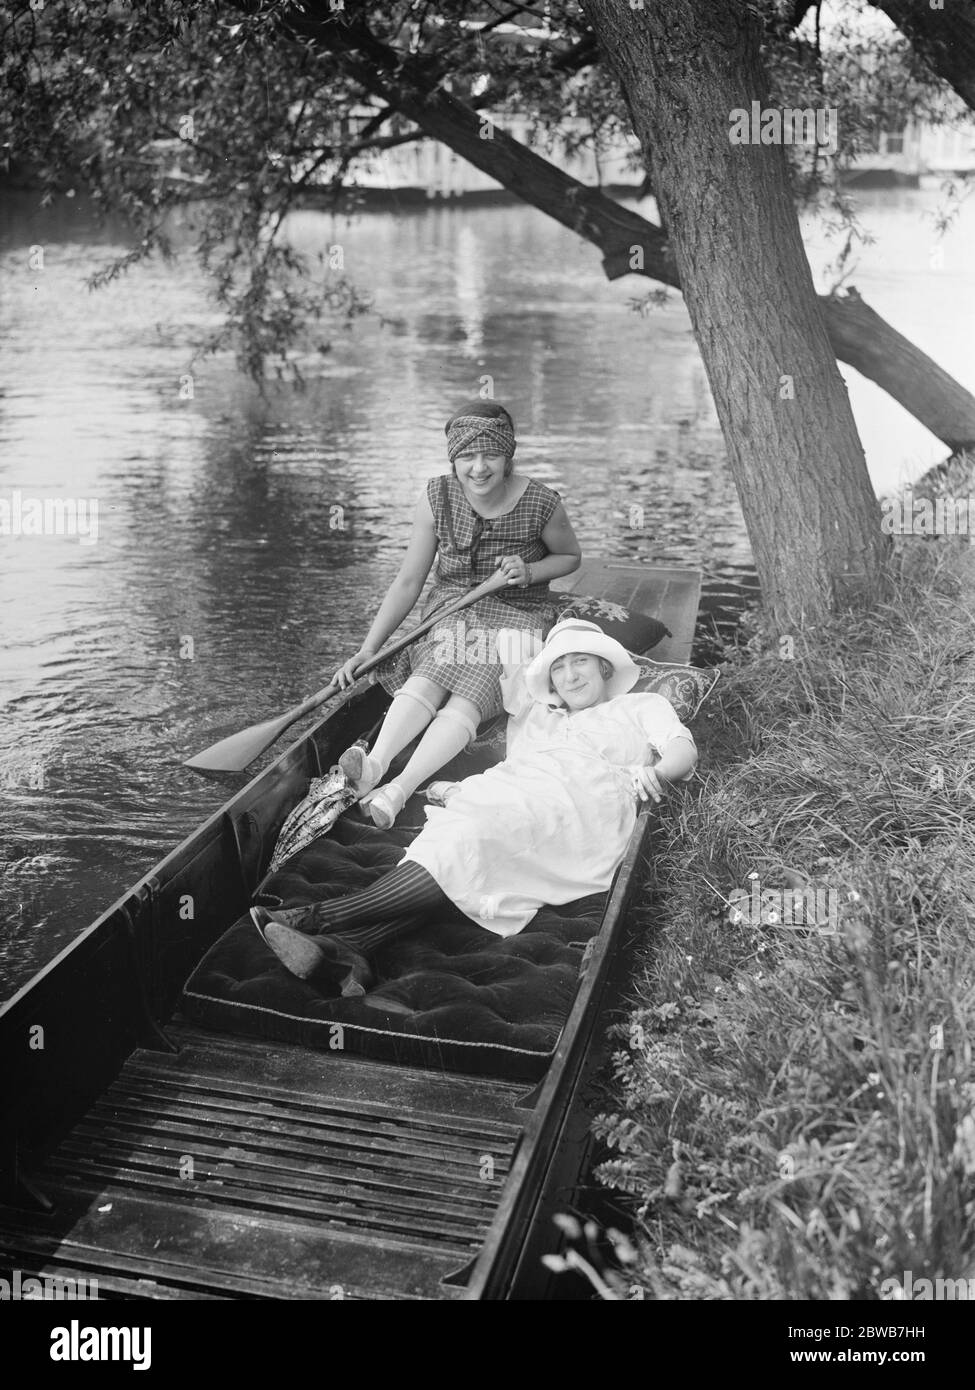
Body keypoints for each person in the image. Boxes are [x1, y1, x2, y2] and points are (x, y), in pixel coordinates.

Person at [252, 619, 698, 997]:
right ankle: (355, 948)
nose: (570, 676)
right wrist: (459, 789)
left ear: (604, 666)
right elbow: (512, 653)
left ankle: (318, 916)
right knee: (459, 840)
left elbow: (682, 749)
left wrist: (658, 773)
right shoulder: (543, 716)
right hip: (521, 795)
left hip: (586, 805)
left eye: (579, 661)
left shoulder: (640, 705)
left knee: (471, 838)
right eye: (558, 668)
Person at [329, 399, 582, 829]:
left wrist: (531, 570)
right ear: (453, 458)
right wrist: (367, 649)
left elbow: (570, 557)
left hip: (520, 612)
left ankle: (400, 788)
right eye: (466, 455)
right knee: (440, 656)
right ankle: (374, 766)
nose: (478, 467)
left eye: (490, 455)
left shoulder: (542, 503)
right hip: (452, 608)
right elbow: (409, 582)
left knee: (479, 673)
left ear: (508, 455)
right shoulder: (436, 498)